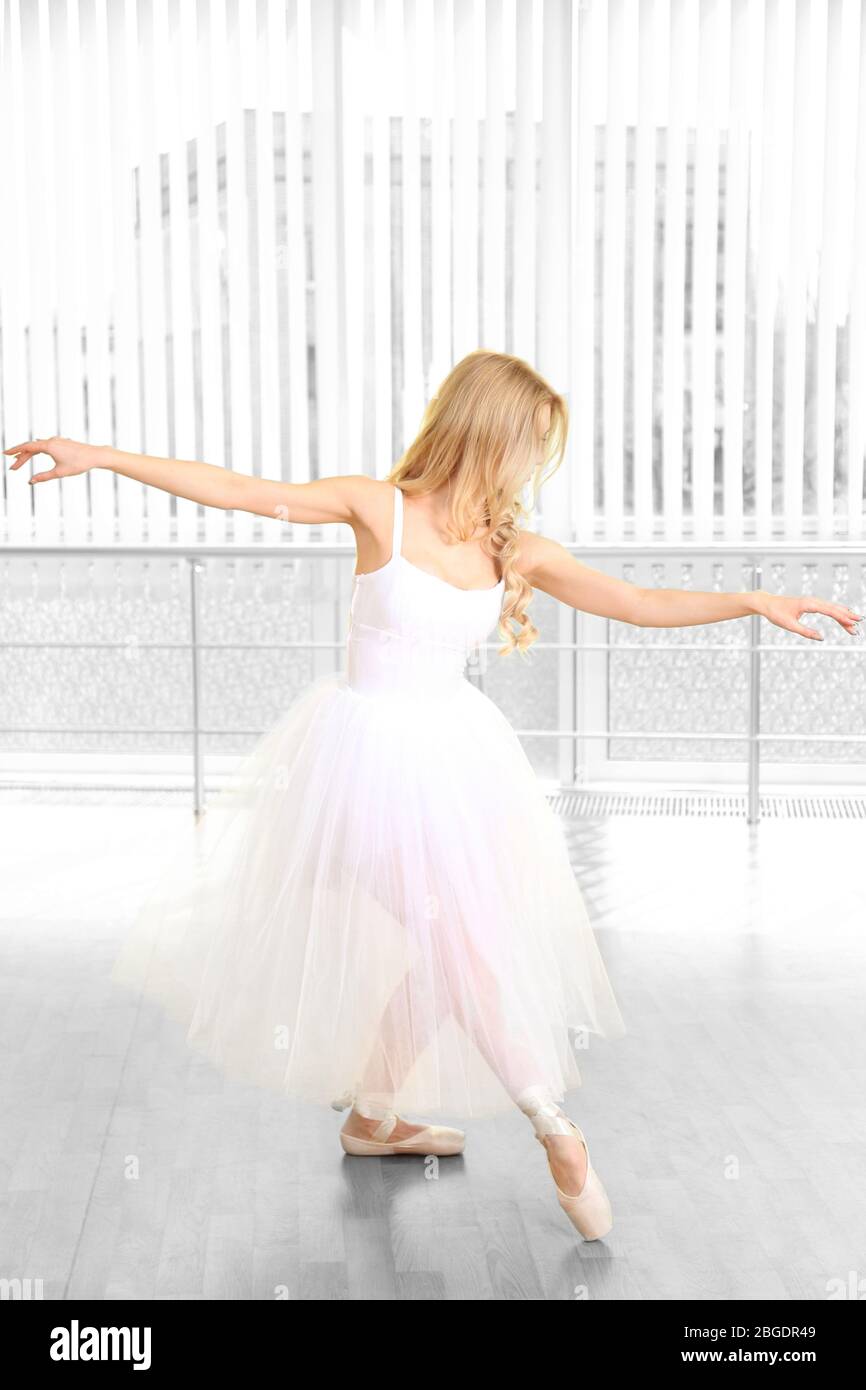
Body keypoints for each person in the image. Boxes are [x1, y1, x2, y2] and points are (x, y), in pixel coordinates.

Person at [5, 349, 859, 1241]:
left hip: (459, 767)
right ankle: (554, 1126)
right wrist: (100, 456)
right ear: (484, 430)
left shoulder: (510, 547)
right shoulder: (379, 510)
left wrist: (757, 600)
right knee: (461, 942)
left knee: (445, 946)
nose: (533, 463)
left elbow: (635, 600)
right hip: (360, 771)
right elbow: (239, 488)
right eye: (529, 442)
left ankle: (373, 1116)